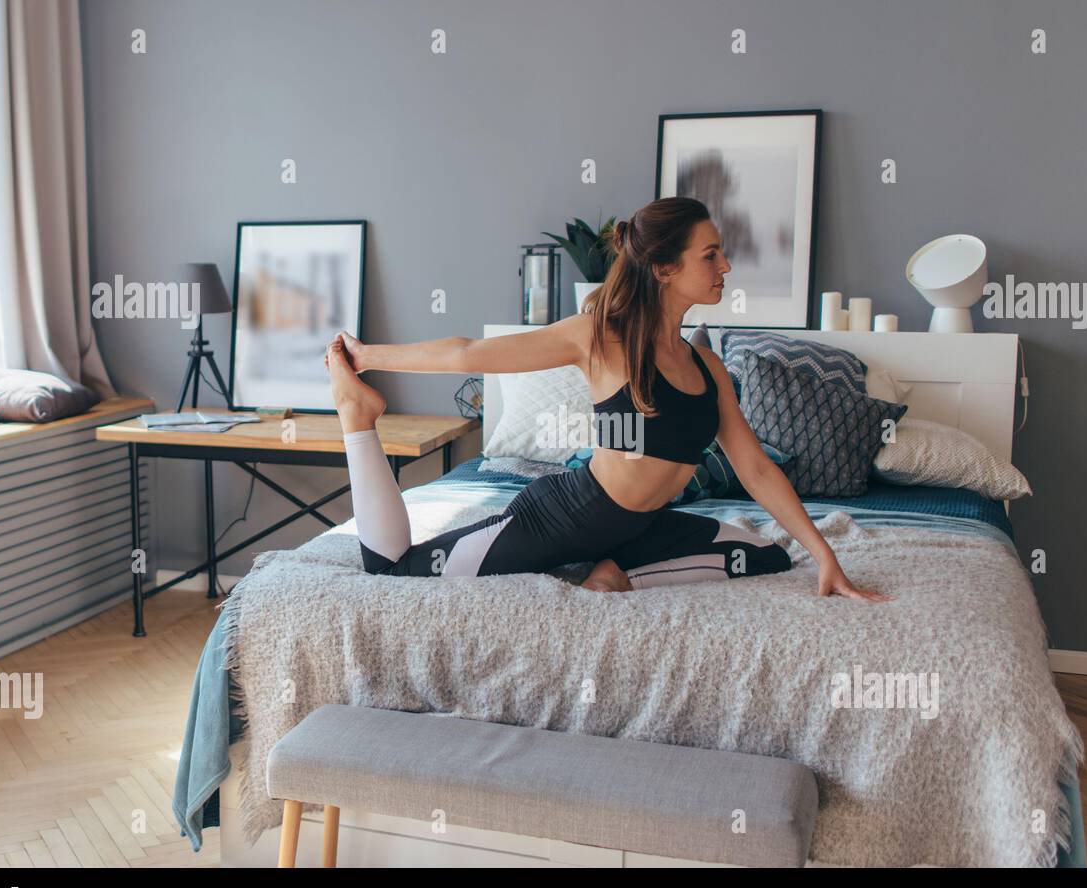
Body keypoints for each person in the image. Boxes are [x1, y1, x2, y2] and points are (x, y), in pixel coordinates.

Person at [327, 196, 889, 600]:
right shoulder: (599, 338)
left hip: (643, 525)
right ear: (666, 268)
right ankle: (358, 416)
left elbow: (757, 470)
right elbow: (468, 354)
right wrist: (370, 357)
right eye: (711, 256)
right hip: (569, 517)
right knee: (393, 571)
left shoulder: (707, 365)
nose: (726, 267)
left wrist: (825, 556)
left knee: (766, 555)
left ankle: (617, 572)